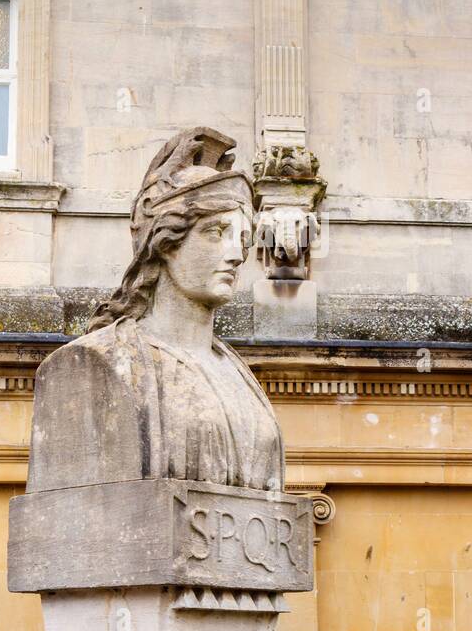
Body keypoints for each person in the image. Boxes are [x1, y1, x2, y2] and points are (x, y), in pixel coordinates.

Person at [25, 127, 284, 495]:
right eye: (216, 232)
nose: (236, 254)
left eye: (242, 239)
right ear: (164, 242)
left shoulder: (238, 374)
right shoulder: (94, 363)